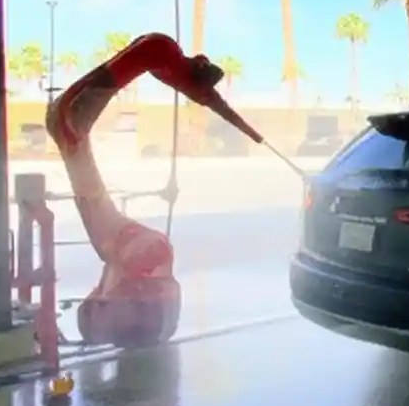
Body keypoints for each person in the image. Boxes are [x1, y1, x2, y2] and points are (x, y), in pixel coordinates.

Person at [44, 33, 257, 347]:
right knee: (67, 126)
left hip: (128, 244)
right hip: (132, 246)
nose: (97, 300)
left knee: (65, 126)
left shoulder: (121, 257)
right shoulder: (132, 257)